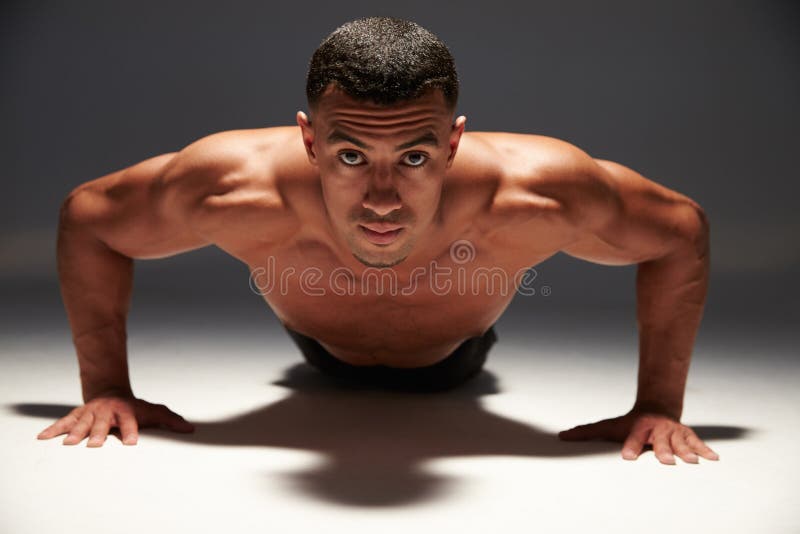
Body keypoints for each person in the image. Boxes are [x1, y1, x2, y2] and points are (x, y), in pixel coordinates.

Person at [36, 16, 719, 465]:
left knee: (462, 361)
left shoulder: (537, 194)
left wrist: (658, 407)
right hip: (318, 347)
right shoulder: (233, 187)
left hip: (453, 359)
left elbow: (680, 231)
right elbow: (89, 218)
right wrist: (107, 388)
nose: (383, 198)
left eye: (415, 157)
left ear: (454, 142)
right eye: (351, 157)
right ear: (310, 140)